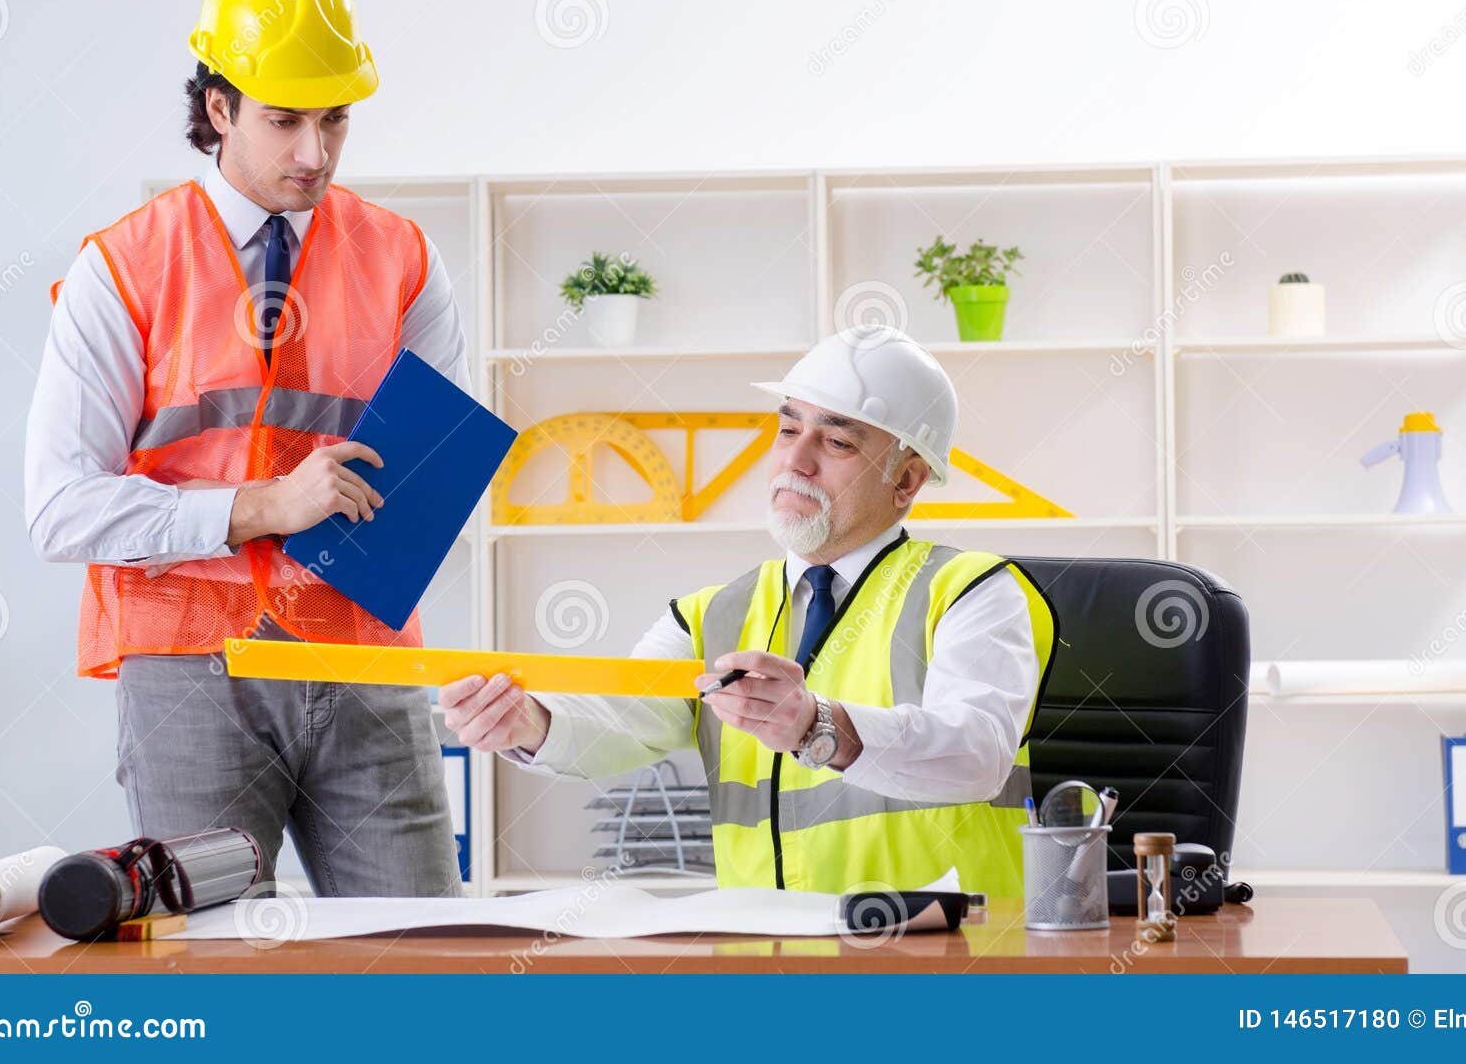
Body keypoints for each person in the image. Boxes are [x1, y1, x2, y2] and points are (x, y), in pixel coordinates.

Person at [24, 0, 467, 896]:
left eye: (335, 119)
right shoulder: (124, 268)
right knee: (217, 967)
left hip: (363, 655)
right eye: (284, 120)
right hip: (193, 671)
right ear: (218, 109)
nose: (315, 152)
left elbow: (434, 469)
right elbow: (60, 510)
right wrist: (260, 507)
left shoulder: (403, 258)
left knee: (426, 954)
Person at [439, 327, 1056, 896]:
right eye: (789, 430)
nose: (797, 459)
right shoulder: (709, 615)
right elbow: (622, 718)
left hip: (946, 953)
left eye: (837, 440)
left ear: (907, 481)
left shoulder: (971, 590)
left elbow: (976, 755)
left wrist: (819, 726)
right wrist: (531, 722)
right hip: (767, 952)